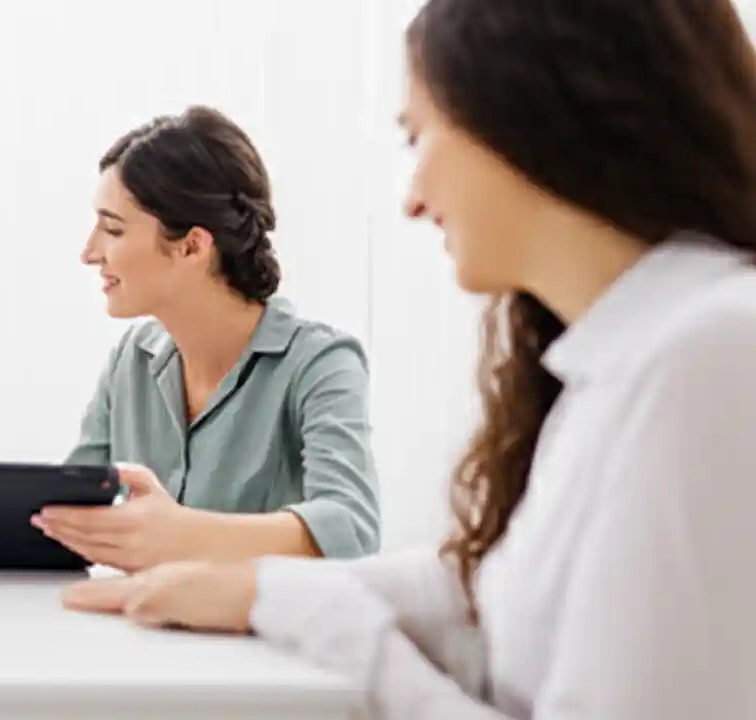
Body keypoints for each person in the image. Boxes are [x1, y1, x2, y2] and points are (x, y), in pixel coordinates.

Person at [61, 1, 756, 717]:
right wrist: (257, 592)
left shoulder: (707, 361)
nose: (413, 199)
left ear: (530, 124)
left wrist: (317, 618)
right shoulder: (621, 365)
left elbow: (356, 535)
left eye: (420, 138)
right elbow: (486, 592)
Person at [33, 107, 380, 572]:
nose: (89, 253)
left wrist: (179, 534)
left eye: (113, 229)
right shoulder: (129, 362)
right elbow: (63, 516)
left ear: (192, 246)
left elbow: (351, 528)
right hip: (141, 636)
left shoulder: (319, 363)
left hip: (260, 641)